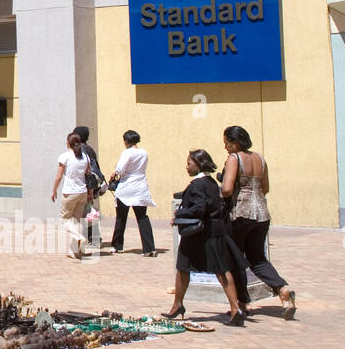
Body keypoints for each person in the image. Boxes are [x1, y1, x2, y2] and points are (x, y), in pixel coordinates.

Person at [220, 125, 296, 318]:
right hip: (262, 213)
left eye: (227, 143)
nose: (226, 147)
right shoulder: (260, 158)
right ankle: (282, 288)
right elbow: (266, 187)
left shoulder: (234, 158)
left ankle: (242, 302)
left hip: (241, 212)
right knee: (257, 258)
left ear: (235, 142)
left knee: (236, 259)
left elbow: (227, 189)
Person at [165, 149, 248, 326]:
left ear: (199, 164)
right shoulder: (210, 182)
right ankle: (235, 308)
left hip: (201, 234)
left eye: (189, 163)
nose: (186, 166)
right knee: (221, 270)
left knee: (184, 267)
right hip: (214, 232)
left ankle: (178, 304)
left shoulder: (198, 185)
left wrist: (179, 213)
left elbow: (199, 208)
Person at [108, 130, 156, 256]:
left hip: (126, 188)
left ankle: (117, 245)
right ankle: (149, 248)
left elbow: (120, 169)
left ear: (126, 140)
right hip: (140, 186)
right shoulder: (144, 153)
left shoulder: (127, 153)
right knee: (142, 217)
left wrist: (115, 170)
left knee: (121, 217)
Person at [51, 132, 90, 260]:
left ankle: (80, 237)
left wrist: (54, 190)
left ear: (68, 143)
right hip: (82, 192)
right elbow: (88, 175)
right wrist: (89, 193)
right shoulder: (85, 157)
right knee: (76, 221)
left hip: (69, 193)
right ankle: (73, 251)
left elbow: (59, 176)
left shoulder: (65, 156)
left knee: (64, 219)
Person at [73, 126, 105, 249]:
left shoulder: (82, 150)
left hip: (86, 184)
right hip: (92, 183)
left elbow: (85, 170)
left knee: (85, 211)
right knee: (89, 211)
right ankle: (94, 238)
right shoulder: (90, 149)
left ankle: (92, 238)